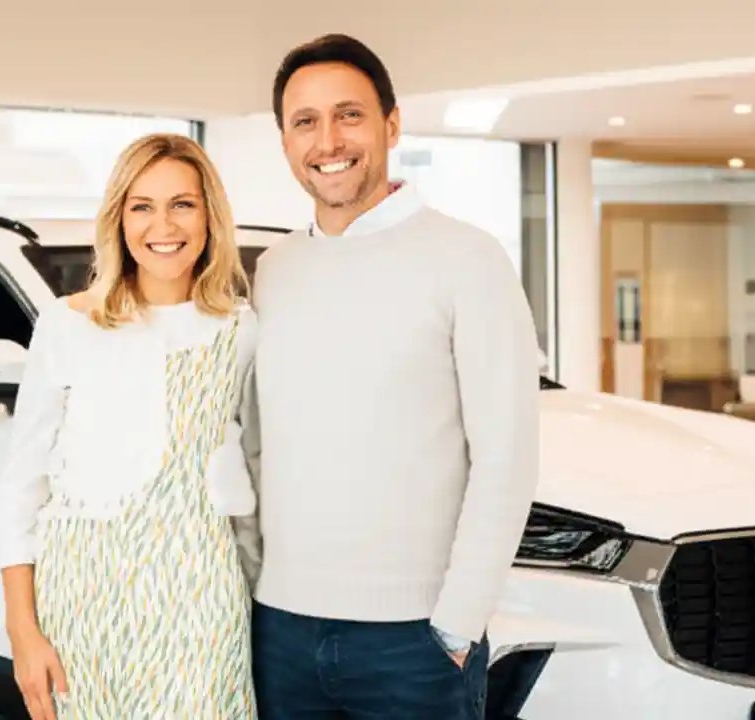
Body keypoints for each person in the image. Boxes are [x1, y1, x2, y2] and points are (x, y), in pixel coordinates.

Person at [241, 33, 542, 719]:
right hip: (280, 630)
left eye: (349, 114)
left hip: (416, 643)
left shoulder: (467, 258)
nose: (328, 141)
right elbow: (256, 443)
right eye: (305, 122)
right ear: (285, 141)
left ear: (392, 123)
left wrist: (458, 622)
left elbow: (507, 454)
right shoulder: (276, 269)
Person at [0, 132, 260, 719]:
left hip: (201, 602)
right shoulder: (68, 326)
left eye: (182, 204)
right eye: (142, 206)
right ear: (118, 218)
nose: (162, 225)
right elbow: (21, 486)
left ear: (209, 216)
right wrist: (23, 631)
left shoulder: (241, 331)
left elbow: (255, 478)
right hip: (83, 605)